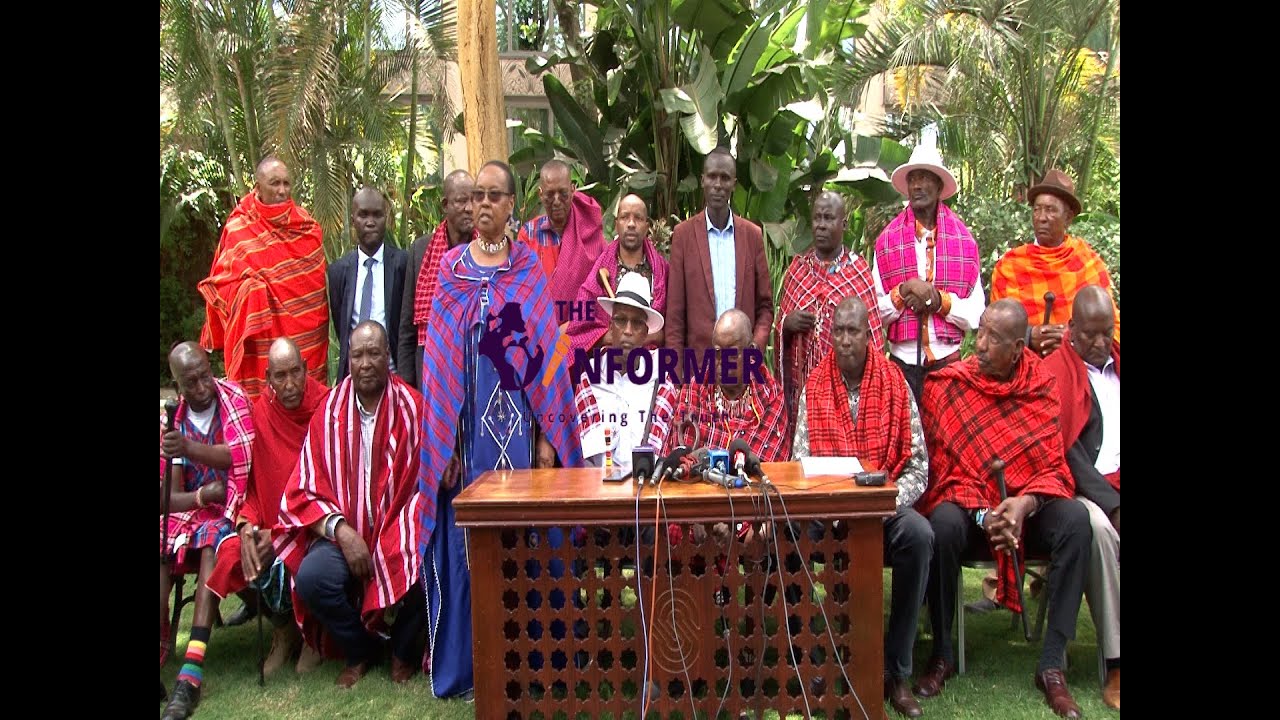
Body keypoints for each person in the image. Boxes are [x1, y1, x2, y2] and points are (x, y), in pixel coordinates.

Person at [416, 160, 584, 699]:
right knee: (473, 550)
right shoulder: (451, 271)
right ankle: (476, 667)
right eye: (476, 196)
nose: (481, 204)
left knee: (530, 544)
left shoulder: (527, 269)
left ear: (512, 205)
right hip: (470, 445)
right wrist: (445, 444)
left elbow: (547, 359)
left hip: (521, 439)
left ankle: (536, 660)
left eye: (493, 196)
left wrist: (547, 438)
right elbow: (438, 366)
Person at [913, 300, 1091, 719]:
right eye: (981, 332)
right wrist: (984, 514)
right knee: (942, 524)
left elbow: (1052, 467)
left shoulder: (1041, 385)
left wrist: (1023, 505)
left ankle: (1052, 665)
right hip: (970, 505)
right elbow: (943, 473)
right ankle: (942, 653)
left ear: (1017, 350)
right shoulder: (949, 386)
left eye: (994, 339)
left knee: (1076, 521)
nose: (980, 344)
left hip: (1026, 507)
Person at [791, 297, 930, 718]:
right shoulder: (815, 384)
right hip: (827, 507)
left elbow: (917, 465)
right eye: (838, 331)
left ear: (870, 336)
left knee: (919, 536)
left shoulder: (894, 382)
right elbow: (800, 462)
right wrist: (833, 504)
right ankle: (812, 661)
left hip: (882, 508)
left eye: (853, 331)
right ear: (830, 335)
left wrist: (882, 505)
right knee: (787, 534)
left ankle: (895, 671)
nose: (845, 340)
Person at [274, 321, 428, 689]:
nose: (365, 363)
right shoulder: (329, 411)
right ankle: (361, 649)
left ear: (388, 356)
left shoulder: (412, 407)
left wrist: (397, 534)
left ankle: (403, 650)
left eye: (374, 353)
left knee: (429, 560)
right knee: (312, 578)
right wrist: (343, 532)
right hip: (344, 534)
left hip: (398, 529)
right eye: (357, 355)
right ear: (348, 360)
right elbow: (304, 488)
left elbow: (428, 478)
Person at [205, 338, 329, 676]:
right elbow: (253, 485)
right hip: (268, 525)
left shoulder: (326, 406)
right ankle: (283, 627)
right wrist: (247, 525)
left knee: (313, 557)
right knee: (231, 553)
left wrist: (281, 534)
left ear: (306, 370)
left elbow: (331, 484)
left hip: (312, 525)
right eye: (280, 376)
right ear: (267, 378)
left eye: (295, 373)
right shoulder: (261, 414)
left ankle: (314, 632)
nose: (289, 384)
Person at [159, 342, 255, 720]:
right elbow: (169, 499)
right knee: (162, 540)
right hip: (194, 509)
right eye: (190, 382)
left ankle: (191, 675)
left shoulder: (233, 398)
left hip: (233, 506)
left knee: (213, 539)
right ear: (176, 384)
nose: (201, 387)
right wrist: (200, 494)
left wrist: (188, 447)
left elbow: (238, 456)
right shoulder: (172, 420)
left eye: (204, 376)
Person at [1041, 285, 1121, 710]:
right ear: (1071, 328)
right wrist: (1114, 504)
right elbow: (1067, 452)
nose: (1099, 342)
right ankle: (1117, 661)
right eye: (1090, 333)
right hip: (1084, 488)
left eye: (1106, 332)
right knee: (1100, 530)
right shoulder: (1055, 371)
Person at [198, 156, 328, 399]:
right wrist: (248, 291)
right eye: (274, 183)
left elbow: (315, 294)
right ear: (257, 188)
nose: (282, 190)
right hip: (259, 349)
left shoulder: (307, 228)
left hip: (308, 342)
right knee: (262, 409)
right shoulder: (239, 229)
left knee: (310, 400)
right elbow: (221, 286)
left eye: (286, 183)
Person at [871, 144, 984, 402]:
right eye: (913, 179)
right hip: (902, 367)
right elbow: (873, 313)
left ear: (939, 186)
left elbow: (976, 314)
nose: (917, 186)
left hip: (948, 365)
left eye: (925, 178)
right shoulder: (887, 241)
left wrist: (938, 301)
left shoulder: (964, 242)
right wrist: (903, 292)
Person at [776, 191, 883, 426]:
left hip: (846, 393)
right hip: (802, 393)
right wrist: (787, 325)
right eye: (817, 218)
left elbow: (873, 340)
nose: (821, 225)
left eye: (828, 218)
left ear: (843, 224)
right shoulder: (798, 270)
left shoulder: (858, 272)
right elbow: (780, 331)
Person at [990, 168, 1120, 356]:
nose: (1042, 218)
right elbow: (995, 327)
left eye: (1050, 210)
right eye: (1037, 209)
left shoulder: (1087, 262)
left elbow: (1111, 327)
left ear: (1068, 218)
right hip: (1023, 366)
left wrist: (1074, 337)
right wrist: (1029, 336)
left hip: (1077, 365)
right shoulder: (1009, 266)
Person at [666, 148, 773, 364]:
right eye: (712, 176)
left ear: (734, 183)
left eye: (725, 178)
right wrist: (676, 374)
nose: (718, 185)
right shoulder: (683, 235)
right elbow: (675, 315)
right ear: (702, 180)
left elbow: (765, 306)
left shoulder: (752, 236)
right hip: (699, 365)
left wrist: (755, 347)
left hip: (743, 366)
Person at [652, 309, 789, 462]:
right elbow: (674, 461)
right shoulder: (695, 390)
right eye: (717, 353)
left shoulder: (770, 396)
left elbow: (772, 469)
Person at [573, 272, 669, 469]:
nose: (627, 330)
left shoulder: (661, 379)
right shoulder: (590, 379)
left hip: (647, 484)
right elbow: (586, 459)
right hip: (599, 484)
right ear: (610, 327)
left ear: (646, 333)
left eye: (637, 323)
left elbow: (663, 454)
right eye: (620, 320)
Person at [565, 193, 669, 355]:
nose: (631, 224)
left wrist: (652, 336)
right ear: (616, 224)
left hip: (653, 362)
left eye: (638, 218)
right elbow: (578, 327)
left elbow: (673, 327)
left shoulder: (663, 272)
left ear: (646, 226)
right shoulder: (598, 273)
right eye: (625, 217)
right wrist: (612, 337)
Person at [397, 170, 474, 388]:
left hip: (475, 373)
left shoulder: (488, 250)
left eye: (474, 200)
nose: (470, 208)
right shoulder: (421, 251)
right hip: (431, 374)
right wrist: (409, 388)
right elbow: (407, 330)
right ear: (445, 205)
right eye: (461, 201)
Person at [329, 187, 409, 381]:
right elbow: (342, 326)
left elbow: (406, 326)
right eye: (363, 215)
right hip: (355, 377)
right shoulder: (338, 271)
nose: (370, 222)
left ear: (386, 219)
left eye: (377, 215)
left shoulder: (403, 264)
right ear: (353, 220)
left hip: (394, 375)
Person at [517, 158, 606, 324]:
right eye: (550, 195)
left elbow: (602, 288)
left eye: (563, 194)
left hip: (584, 324)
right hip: (541, 327)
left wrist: (571, 325)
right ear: (540, 194)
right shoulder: (528, 235)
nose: (557, 201)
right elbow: (523, 291)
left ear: (573, 190)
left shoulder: (589, 231)